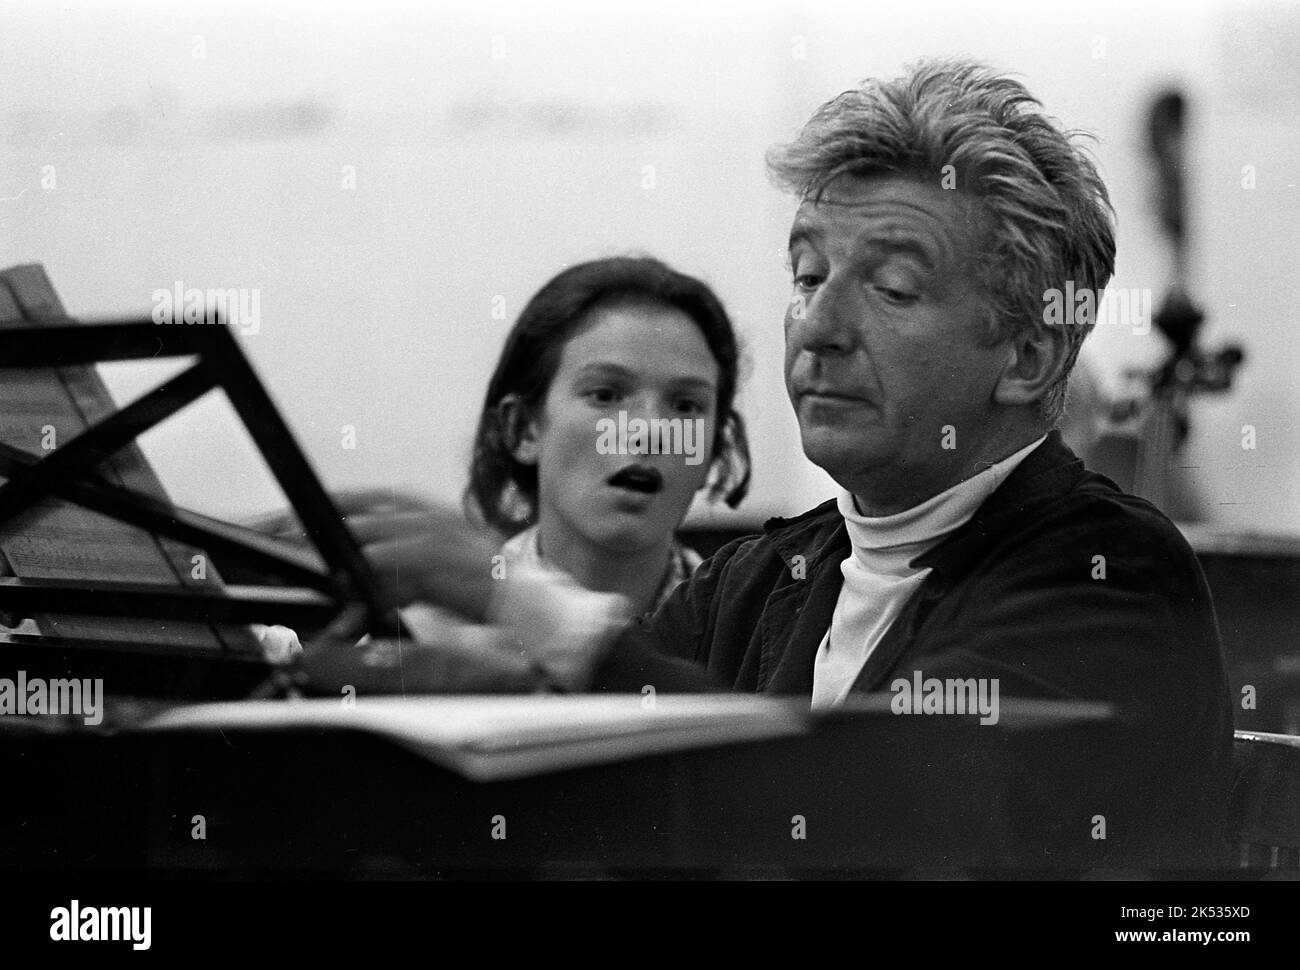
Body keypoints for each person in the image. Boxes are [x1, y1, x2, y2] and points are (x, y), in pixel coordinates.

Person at [345, 59, 1233, 865]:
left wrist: (513, 596)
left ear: (1029, 357)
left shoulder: (1108, 571)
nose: (817, 326)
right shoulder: (755, 581)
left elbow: (881, 804)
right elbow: (605, 778)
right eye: (808, 276)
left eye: (891, 289)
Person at [464, 256, 750, 617]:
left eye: (686, 405)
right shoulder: (438, 637)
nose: (650, 431)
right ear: (522, 429)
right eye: (606, 395)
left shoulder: (756, 643)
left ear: (712, 450)